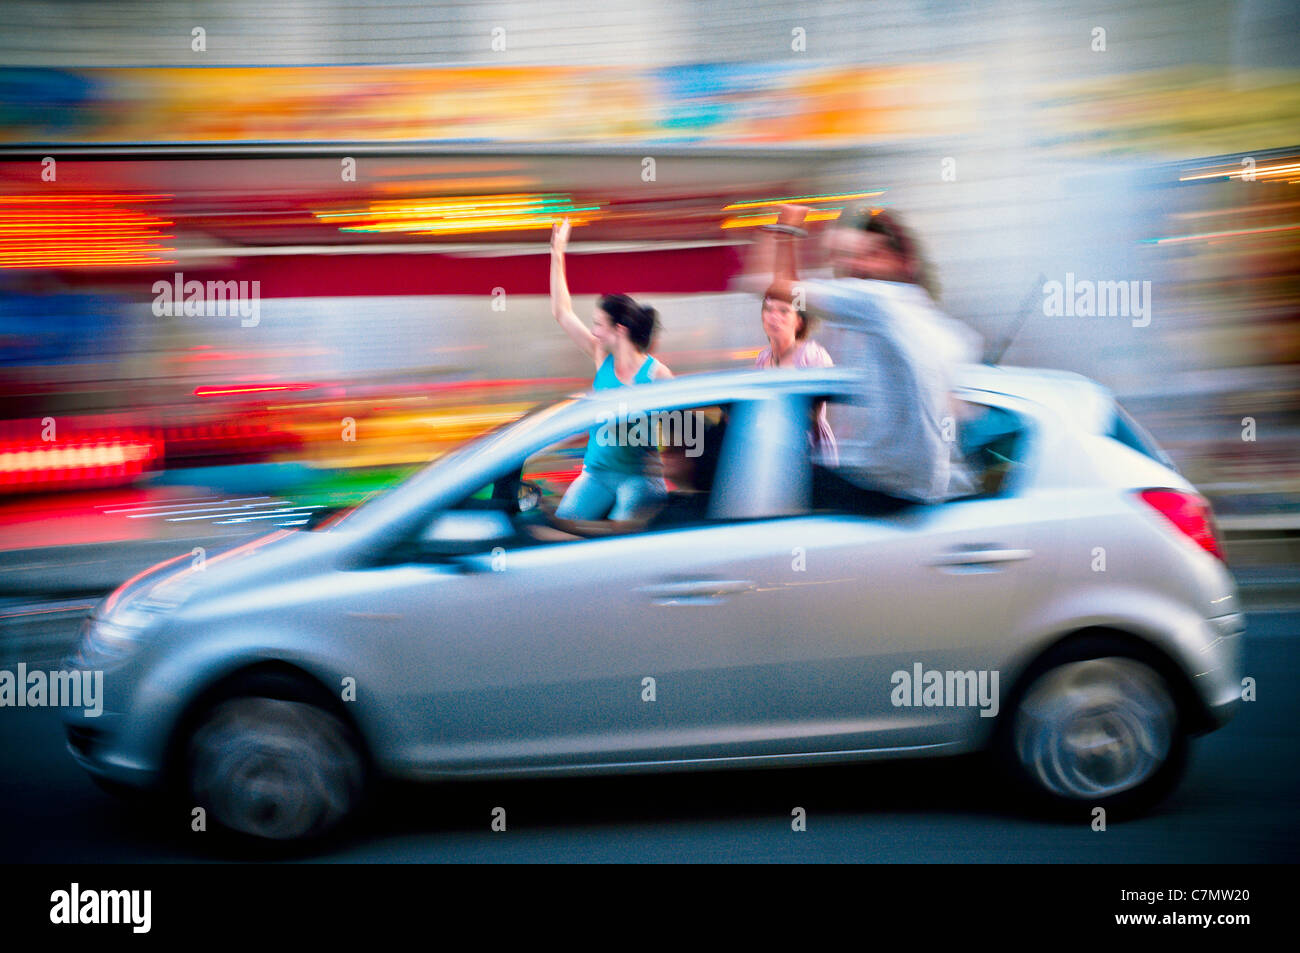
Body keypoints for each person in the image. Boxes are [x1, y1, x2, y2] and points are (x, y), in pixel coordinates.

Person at [754, 202, 982, 503]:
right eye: (853, 258)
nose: (859, 266)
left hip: (894, 495)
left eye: (873, 255)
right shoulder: (945, 332)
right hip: (926, 494)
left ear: (905, 262)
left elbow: (783, 290)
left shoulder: (880, 303)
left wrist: (787, 230)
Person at [549, 217, 673, 520]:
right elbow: (561, 312)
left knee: (621, 529)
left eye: (597, 325)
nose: (593, 332)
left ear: (619, 330)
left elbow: (679, 432)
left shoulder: (657, 375)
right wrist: (557, 251)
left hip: (639, 479)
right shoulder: (599, 355)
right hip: (597, 474)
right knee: (565, 522)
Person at [754, 284, 837, 462]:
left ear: (799, 321)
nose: (773, 317)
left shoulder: (812, 355)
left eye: (784, 311)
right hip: (774, 452)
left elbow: (814, 408)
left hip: (810, 455)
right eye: (768, 310)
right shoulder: (762, 358)